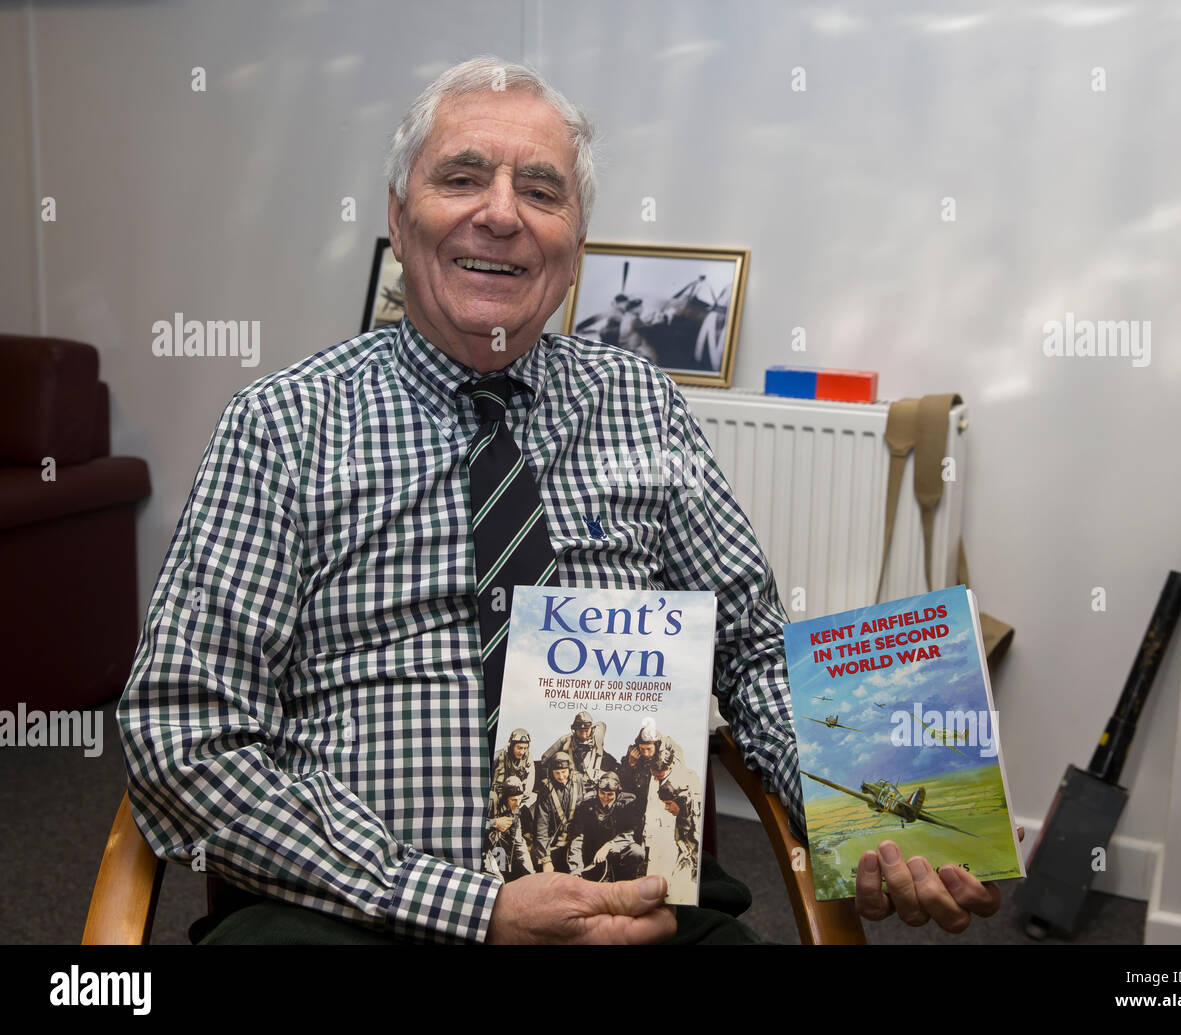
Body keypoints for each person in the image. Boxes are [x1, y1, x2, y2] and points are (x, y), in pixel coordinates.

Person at [117, 54, 1007, 945]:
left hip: (633, 908)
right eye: (462, 177)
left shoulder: (639, 403)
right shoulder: (282, 426)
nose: (500, 213)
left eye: (541, 192)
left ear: (577, 242)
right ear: (397, 214)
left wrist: (876, 802)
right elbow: (186, 731)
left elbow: (753, 652)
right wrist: (468, 908)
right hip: (356, 913)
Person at [566, 773, 645, 882]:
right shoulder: (586, 805)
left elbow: (628, 834)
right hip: (593, 853)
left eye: (610, 794)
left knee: (636, 851)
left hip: (616, 850)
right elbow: (578, 838)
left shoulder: (627, 804)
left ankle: (624, 881)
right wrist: (576, 869)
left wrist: (608, 846)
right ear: (597, 790)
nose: (605, 798)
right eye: (602, 793)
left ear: (617, 793)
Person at [531, 751, 583, 873]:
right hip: (553, 842)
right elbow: (541, 826)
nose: (561, 777)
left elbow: (582, 818)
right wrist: (546, 859)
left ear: (570, 770)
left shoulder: (579, 781)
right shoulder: (546, 789)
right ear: (551, 773)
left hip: (574, 839)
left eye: (564, 772)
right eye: (557, 773)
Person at [541, 712, 615, 796]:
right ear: (575, 730)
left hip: (593, 784)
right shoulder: (565, 741)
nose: (584, 735)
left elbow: (602, 725)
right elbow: (545, 759)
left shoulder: (597, 738)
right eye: (580, 731)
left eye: (586, 731)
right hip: (572, 785)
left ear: (592, 728)